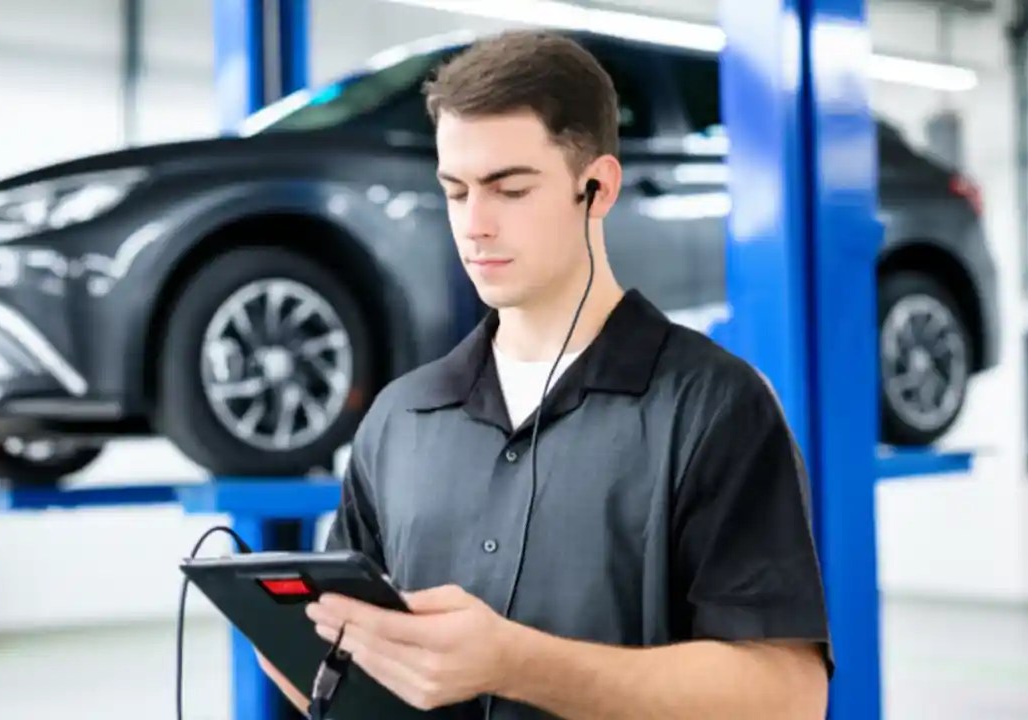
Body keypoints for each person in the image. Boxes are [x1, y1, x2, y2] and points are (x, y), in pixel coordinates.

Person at [261, 29, 833, 719]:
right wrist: (296, 651)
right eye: (456, 191)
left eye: (509, 189)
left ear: (596, 188)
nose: (475, 225)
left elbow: (788, 697)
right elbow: (344, 693)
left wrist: (517, 663)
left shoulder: (712, 406)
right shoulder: (399, 420)